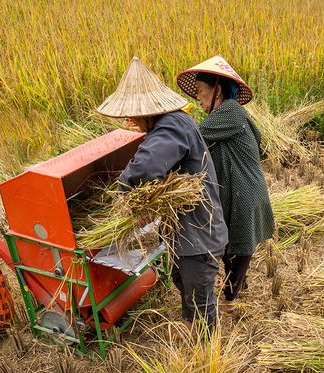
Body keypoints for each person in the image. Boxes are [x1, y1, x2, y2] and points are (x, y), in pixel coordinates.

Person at [96, 57, 228, 328]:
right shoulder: (173, 123)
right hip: (189, 233)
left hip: (199, 234)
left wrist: (124, 191)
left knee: (199, 301)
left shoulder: (171, 126)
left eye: (133, 115)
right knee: (185, 285)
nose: (131, 121)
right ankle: (195, 334)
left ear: (146, 110)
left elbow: (146, 167)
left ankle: (206, 356)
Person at [177, 57, 274, 308]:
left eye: (200, 91)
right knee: (230, 242)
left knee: (240, 247)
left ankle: (230, 300)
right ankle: (234, 285)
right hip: (239, 189)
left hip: (246, 191)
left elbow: (192, 138)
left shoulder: (229, 111)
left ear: (217, 90)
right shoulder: (228, 114)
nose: (197, 98)